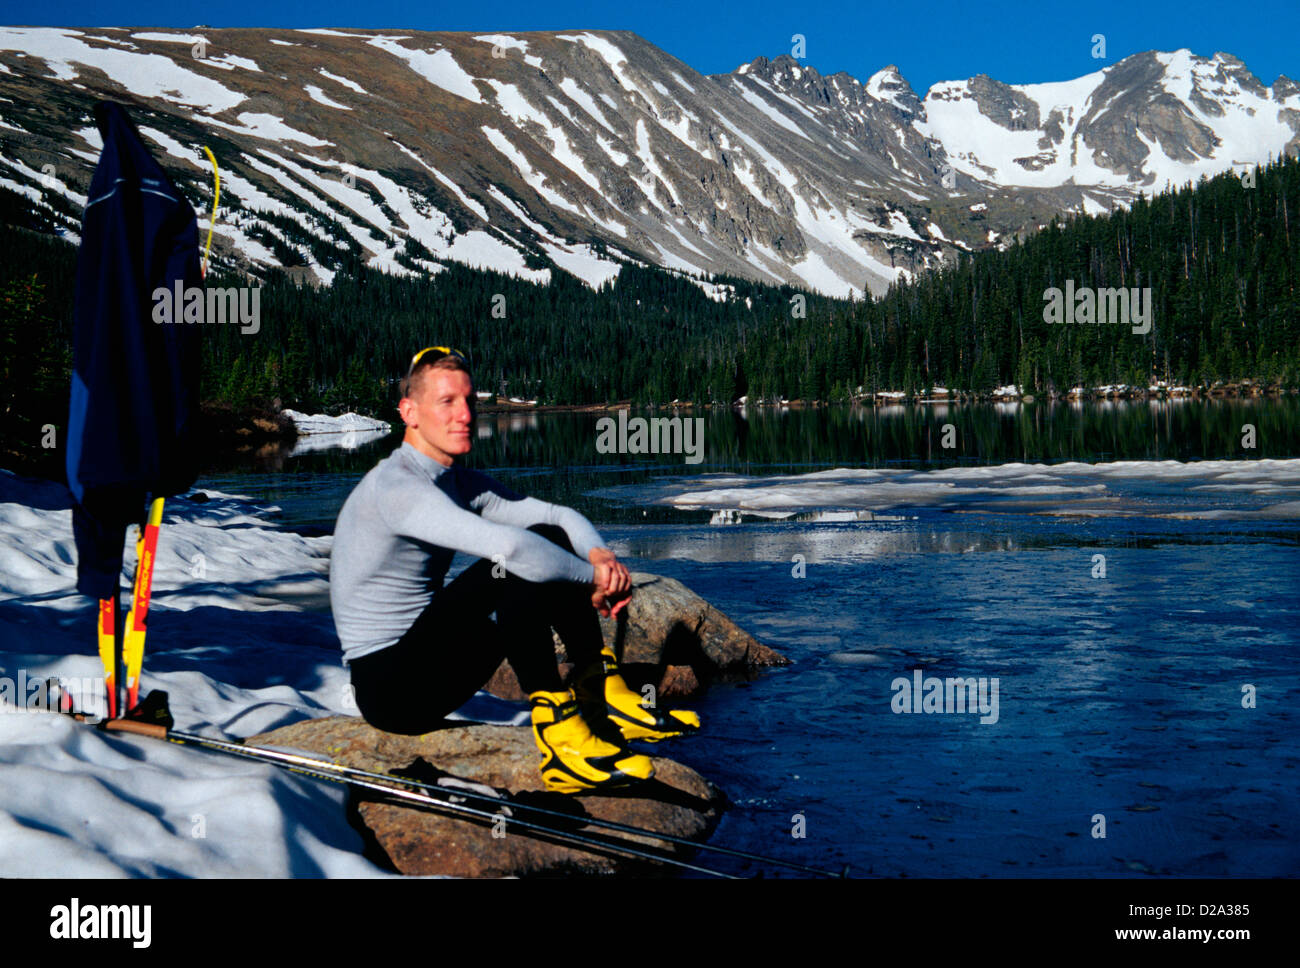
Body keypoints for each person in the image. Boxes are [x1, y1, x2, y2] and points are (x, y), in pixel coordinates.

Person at [329, 346, 699, 793]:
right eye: (446, 402)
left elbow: (559, 516)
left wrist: (599, 555)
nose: (464, 414)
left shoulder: (458, 483)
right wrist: (593, 579)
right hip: (389, 690)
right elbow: (512, 548)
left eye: (469, 401)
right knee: (509, 566)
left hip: (436, 663)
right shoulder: (398, 487)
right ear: (409, 412)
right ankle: (560, 739)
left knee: (545, 535)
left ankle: (600, 694)